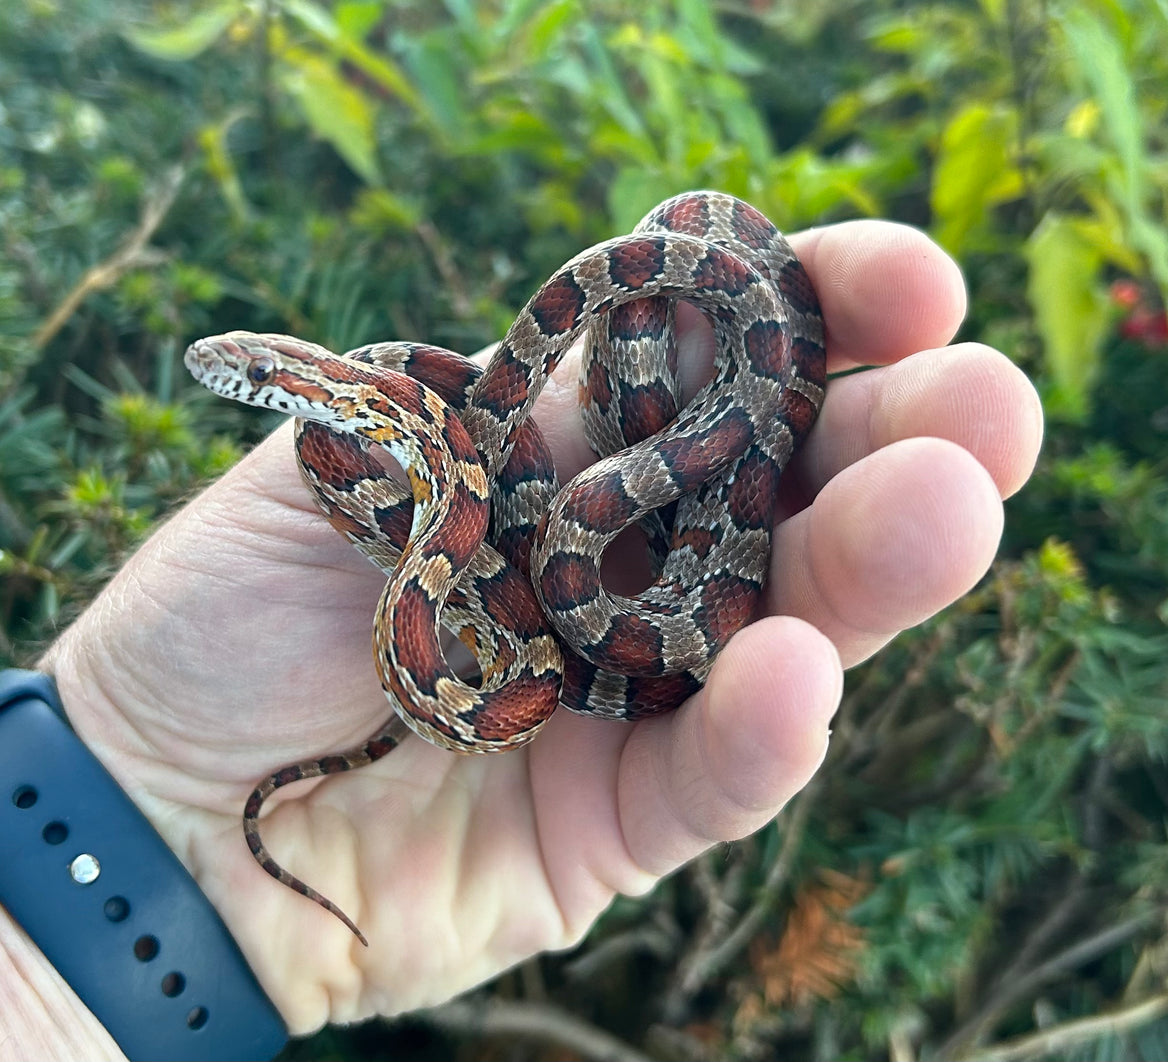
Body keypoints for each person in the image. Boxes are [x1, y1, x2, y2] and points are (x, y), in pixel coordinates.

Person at [1, 218, 1043, 1057]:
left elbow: (502, 500)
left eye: (246, 379)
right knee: (639, 577)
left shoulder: (419, 429)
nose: (234, 381)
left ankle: (739, 405)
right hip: (489, 622)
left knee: (714, 555)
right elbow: (462, 499)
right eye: (242, 379)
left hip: (601, 506)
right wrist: (130, 759)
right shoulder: (369, 432)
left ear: (289, 381)